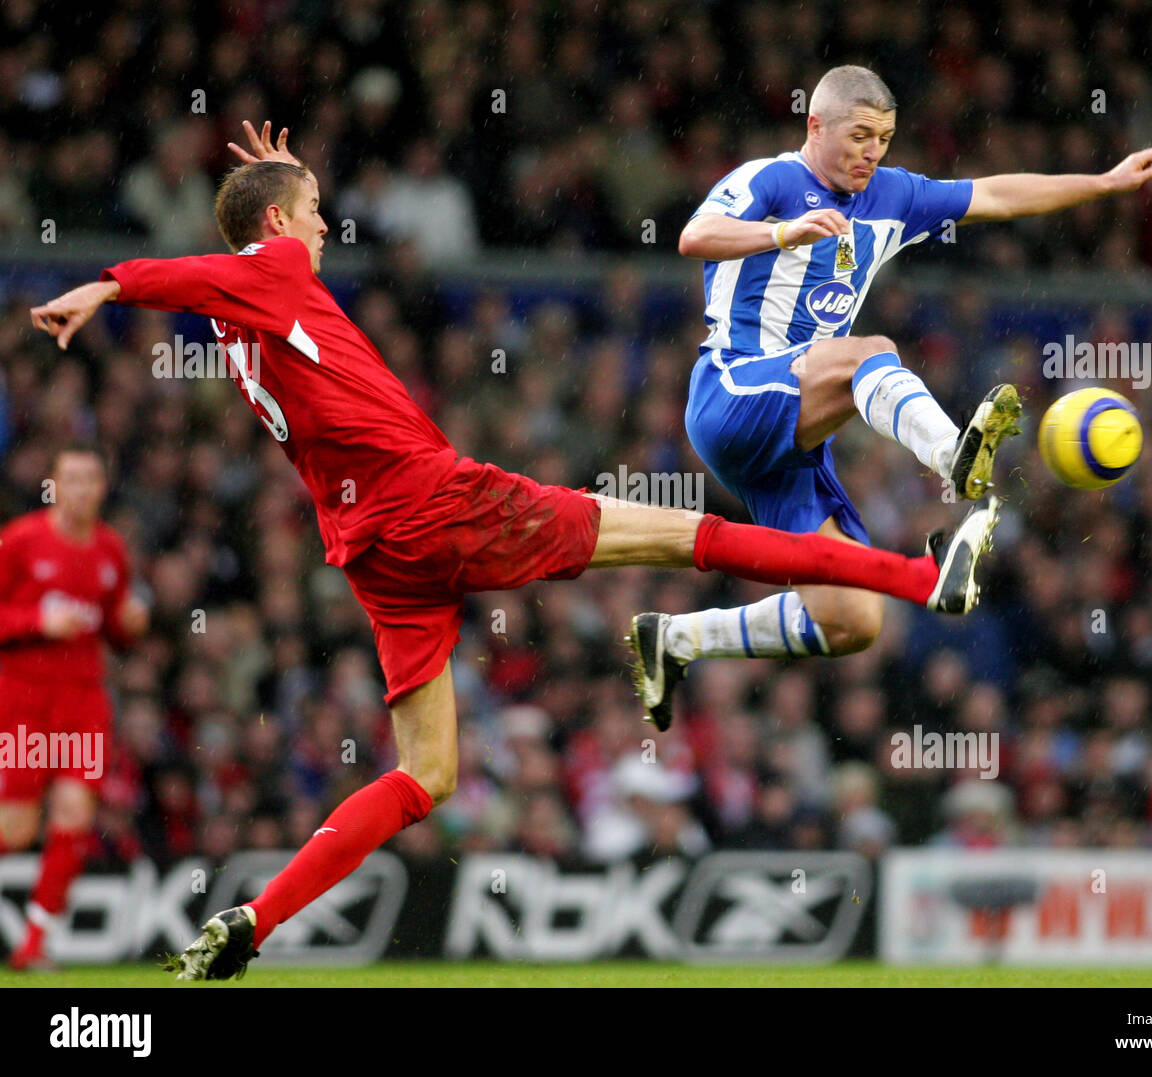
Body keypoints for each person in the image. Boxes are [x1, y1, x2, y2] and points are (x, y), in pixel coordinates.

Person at [28, 122, 1001, 980]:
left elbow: (220, 270)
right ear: (281, 230)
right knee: (677, 533)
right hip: (432, 500)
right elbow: (196, 269)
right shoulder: (272, 270)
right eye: (315, 210)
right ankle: (924, 577)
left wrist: (263, 190)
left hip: (368, 552)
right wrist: (106, 286)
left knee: (425, 776)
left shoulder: (246, 316)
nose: (327, 226)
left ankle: (255, 916)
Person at [629, 65, 1152, 730]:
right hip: (733, 391)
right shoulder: (771, 180)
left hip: (791, 441)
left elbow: (996, 195)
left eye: (883, 138)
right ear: (816, 124)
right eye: (859, 135)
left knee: (853, 618)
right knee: (871, 350)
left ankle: (678, 637)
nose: (872, 151)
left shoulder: (891, 194)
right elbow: (695, 236)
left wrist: (1104, 183)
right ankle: (953, 455)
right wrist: (782, 233)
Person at [0, 446, 149, 970]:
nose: (83, 488)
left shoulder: (111, 551)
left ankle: (34, 945)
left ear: (102, 487)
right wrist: (36, 622)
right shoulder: (20, 541)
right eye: (73, 479)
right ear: (54, 485)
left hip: (83, 702)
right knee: (15, 830)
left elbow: (113, 628)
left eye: (92, 479)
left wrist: (128, 626)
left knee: (74, 816)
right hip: (23, 703)